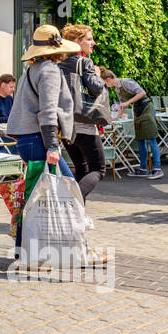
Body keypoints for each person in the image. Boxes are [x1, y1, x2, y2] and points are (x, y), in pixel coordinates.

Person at [4, 26, 80, 253]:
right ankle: (70, 249)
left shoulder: (32, 69)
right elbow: (47, 111)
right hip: (39, 140)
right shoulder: (49, 70)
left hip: (27, 141)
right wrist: (53, 145)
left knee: (35, 199)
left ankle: (23, 250)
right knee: (70, 193)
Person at [59, 23, 108, 201]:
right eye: (89, 39)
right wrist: (97, 75)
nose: (93, 42)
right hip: (84, 123)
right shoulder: (84, 62)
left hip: (65, 126)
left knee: (81, 167)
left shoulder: (57, 62)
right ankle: (72, 201)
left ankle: (77, 214)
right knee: (99, 169)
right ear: (77, 41)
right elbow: (95, 88)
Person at [103, 70, 162, 179]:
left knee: (151, 138)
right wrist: (116, 117)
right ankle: (143, 169)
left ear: (108, 80)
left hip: (146, 109)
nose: (106, 85)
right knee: (140, 140)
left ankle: (157, 169)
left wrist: (128, 102)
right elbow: (123, 105)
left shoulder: (126, 82)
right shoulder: (117, 89)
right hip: (137, 111)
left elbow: (142, 93)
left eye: (105, 83)